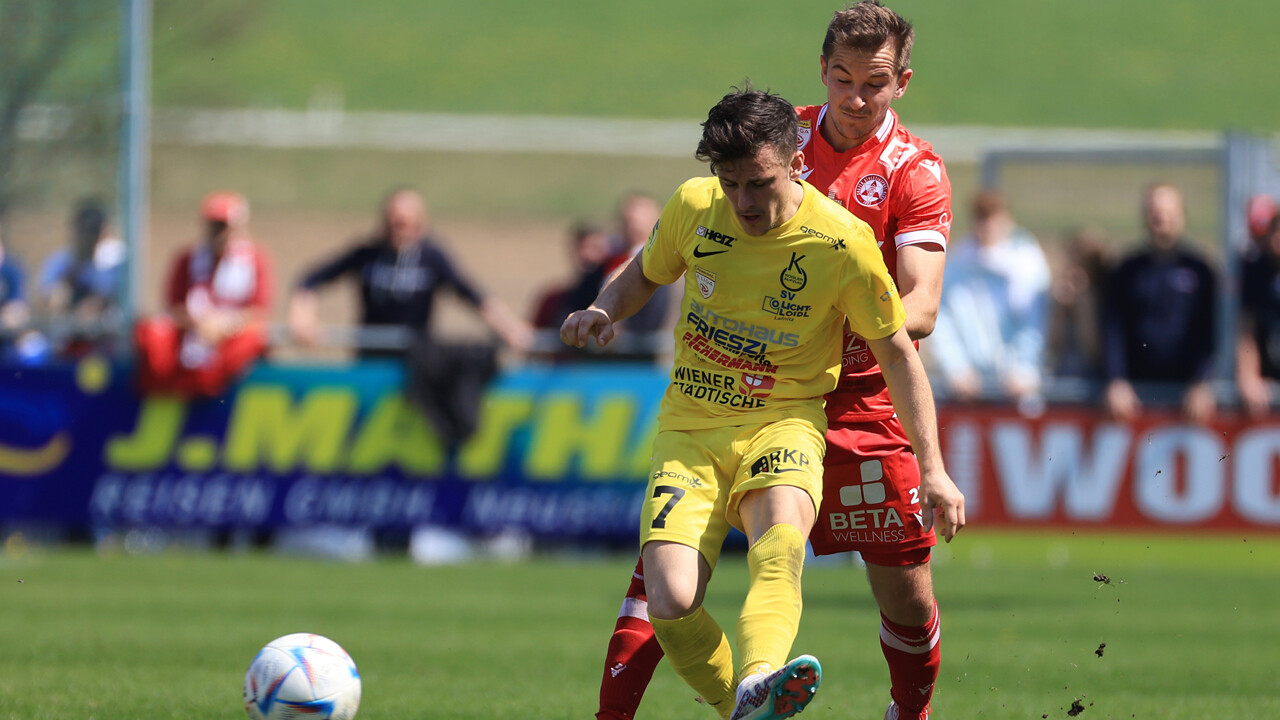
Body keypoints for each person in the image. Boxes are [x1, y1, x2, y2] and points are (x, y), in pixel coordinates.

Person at [592, 4, 963, 720]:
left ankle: (907, 712)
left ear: (902, 83)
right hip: (737, 394)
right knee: (665, 571)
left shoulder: (914, 172)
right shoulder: (771, 136)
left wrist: (832, 308)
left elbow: (917, 310)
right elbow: (702, 226)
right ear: (822, 70)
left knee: (906, 591)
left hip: (859, 398)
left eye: (874, 84)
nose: (855, 99)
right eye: (843, 78)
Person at [287, 186, 532, 356]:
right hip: (370, 358)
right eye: (393, 223)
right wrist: (302, 314)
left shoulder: (431, 256)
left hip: (414, 361)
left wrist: (509, 327)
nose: (399, 232)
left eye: (405, 224)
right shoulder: (366, 253)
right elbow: (311, 278)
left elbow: (471, 294)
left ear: (420, 224)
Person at [134, 191, 273, 398]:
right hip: (190, 331)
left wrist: (224, 326)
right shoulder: (187, 258)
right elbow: (174, 305)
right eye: (213, 225)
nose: (217, 232)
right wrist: (199, 323)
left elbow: (258, 310)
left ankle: (208, 387)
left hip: (230, 335)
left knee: (253, 339)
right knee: (152, 333)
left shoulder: (255, 259)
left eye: (223, 226)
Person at [1102, 183, 1218, 423]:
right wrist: (1116, 380)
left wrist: (1202, 381)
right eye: (1155, 212)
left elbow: (1209, 331)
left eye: (1168, 212)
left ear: (1181, 216)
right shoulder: (1126, 270)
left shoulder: (1200, 270)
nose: (1161, 219)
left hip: (1187, 397)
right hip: (1135, 395)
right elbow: (1114, 328)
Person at [928, 190, 1050, 409]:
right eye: (981, 218)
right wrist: (957, 368)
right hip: (966, 390)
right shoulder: (956, 266)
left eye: (994, 217)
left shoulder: (1028, 265)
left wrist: (1025, 369)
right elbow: (942, 322)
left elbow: (1035, 321)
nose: (988, 226)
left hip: (1018, 390)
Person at [37, 199, 127, 356]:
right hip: (66, 339)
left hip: (106, 340)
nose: (89, 235)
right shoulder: (60, 261)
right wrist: (75, 267)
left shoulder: (118, 259)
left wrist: (97, 303)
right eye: (84, 229)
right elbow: (50, 302)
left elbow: (117, 299)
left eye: (94, 229)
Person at [529, 220, 614, 360]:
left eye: (595, 248)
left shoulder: (619, 300)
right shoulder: (552, 300)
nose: (587, 255)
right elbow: (533, 342)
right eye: (581, 248)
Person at [1047, 226, 1111, 383]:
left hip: (1093, 382)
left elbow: (1093, 351)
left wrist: (1084, 305)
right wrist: (1060, 310)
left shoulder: (1103, 298)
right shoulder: (1061, 296)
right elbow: (1052, 346)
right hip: (1062, 377)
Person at [1237, 212, 1280, 418]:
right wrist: (1248, 377)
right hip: (1265, 383)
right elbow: (1247, 327)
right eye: (1276, 231)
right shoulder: (1255, 272)